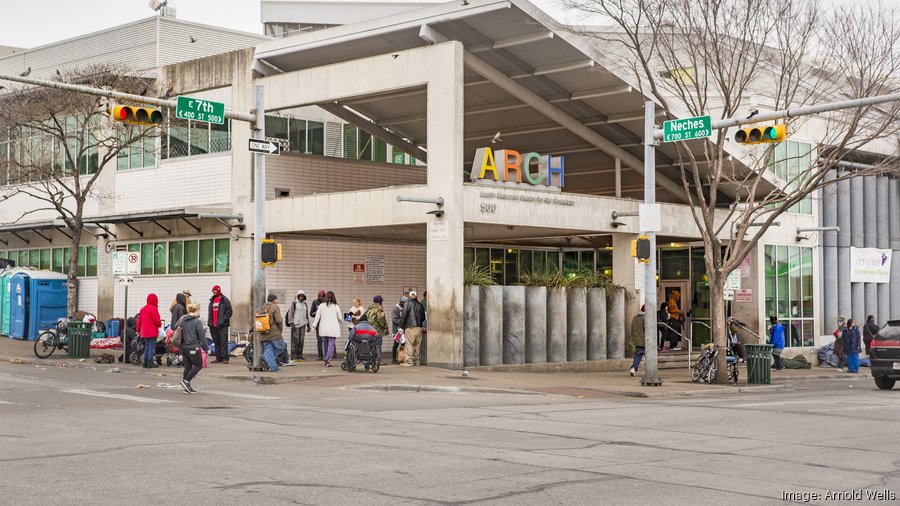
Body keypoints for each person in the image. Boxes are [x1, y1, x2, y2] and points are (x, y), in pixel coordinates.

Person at [178, 302, 208, 394]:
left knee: (188, 366)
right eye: (199, 310)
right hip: (193, 346)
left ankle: (187, 387)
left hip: (183, 347)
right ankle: (186, 381)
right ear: (196, 310)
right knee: (198, 364)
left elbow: (176, 327)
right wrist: (206, 348)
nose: (200, 312)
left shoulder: (183, 319)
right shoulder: (197, 321)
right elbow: (201, 336)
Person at [312, 291, 342, 367]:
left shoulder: (321, 306)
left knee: (325, 344)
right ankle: (328, 359)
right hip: (333, 329)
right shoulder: (336, 306)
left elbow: (317, 317)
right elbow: (340, 318)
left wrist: (314, 326)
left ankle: (326, 360)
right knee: (331, 344)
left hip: (323, 328)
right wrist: (340, 321)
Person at [259, 293, 286, 372]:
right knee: (281, 346)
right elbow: (279, 320)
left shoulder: (262, 306)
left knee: (268, 349)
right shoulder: (275, 307)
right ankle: (265, 356)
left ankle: (274, 368)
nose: (277, 300)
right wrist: (280, 330)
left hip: (263, 332)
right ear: (274, 300)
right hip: (274, 333)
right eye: (276, 299)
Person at [207, 285, 233, 364]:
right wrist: (210, 322)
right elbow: (210, 313)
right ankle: (218, 358)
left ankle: (225, 358)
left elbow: (229, 312)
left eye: (215, 290)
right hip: (213, 326)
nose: (213, 292)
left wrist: (223, 320)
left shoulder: (224, 300)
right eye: (213, 291)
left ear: (218, 290)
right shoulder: (212, 301)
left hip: (222, 325)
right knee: (216, 342)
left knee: (223, 342)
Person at [399, 291, 426, 366]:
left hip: (410, 327)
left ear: (410, 296)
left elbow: (404, 316)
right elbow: (423, 317)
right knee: (417, 345)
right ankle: (417, 361)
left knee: (409, 344)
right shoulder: (420, 305)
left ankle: (409, 362)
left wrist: (401, 326)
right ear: (416, 296)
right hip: (419, 328)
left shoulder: (407, 304)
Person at [137, 293, 162, 368]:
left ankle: (145, 362)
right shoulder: (153, 309)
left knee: (147, 346)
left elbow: (139, 321)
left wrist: (138, 330)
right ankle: (150, 362)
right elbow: (157, 320)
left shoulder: (142, 309)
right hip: (152, 331)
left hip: (144, 331)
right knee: (151, 346)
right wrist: (159, 324)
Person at [285, 290, 310, 361]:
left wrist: (308, 324)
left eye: (302, 296)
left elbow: (306, 315)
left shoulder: (305, 304)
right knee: (295, 341)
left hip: (303, 325)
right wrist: (291, 323)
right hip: (295, 325)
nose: (301, 297)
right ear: (298, 296)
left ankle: (299, 355)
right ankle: (293, 356)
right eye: (300, 295)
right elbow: (290, 313)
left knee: (301, 341)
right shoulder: (294, 303)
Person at [365, 295, 389, 361]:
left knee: (370, 344)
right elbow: (381, 319)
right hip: (377, 330)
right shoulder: (379, 308)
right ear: (380, 301)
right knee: (378, 345)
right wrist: (385, 327)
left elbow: (364, 316)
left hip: (369, 330)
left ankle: (370, 360)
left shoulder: (369, 308)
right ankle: (378, 360)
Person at [628, 305, 645, 376]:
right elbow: (646, 329)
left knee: (638, 355)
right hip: (645, 340)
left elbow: (632, 328)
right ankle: (649, 371)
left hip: (637, 340)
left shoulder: (635, 317)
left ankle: (633, 368)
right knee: (649, 357)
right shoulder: (645, 318)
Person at [391, 296, 408, 364]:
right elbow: (394, 319)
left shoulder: (405, 308)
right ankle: (394, 359)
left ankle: (401, 358)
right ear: (401, 302)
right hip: (397, 330)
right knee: (396, 344)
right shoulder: (396, 308)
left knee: (403, 344)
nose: (405, 304)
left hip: (403, 329)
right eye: (404, 303)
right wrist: (403, 322)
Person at [310, 290, 326, 361]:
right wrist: (317, 313)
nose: (321, 297)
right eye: (320, 296)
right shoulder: (315, 302)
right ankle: (320, 356)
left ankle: (327, 355)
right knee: (319, 340)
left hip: (325, 323)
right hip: (318, 323)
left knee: (326, 339)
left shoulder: (327, 303)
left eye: (322, 296)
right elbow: (311, 313)